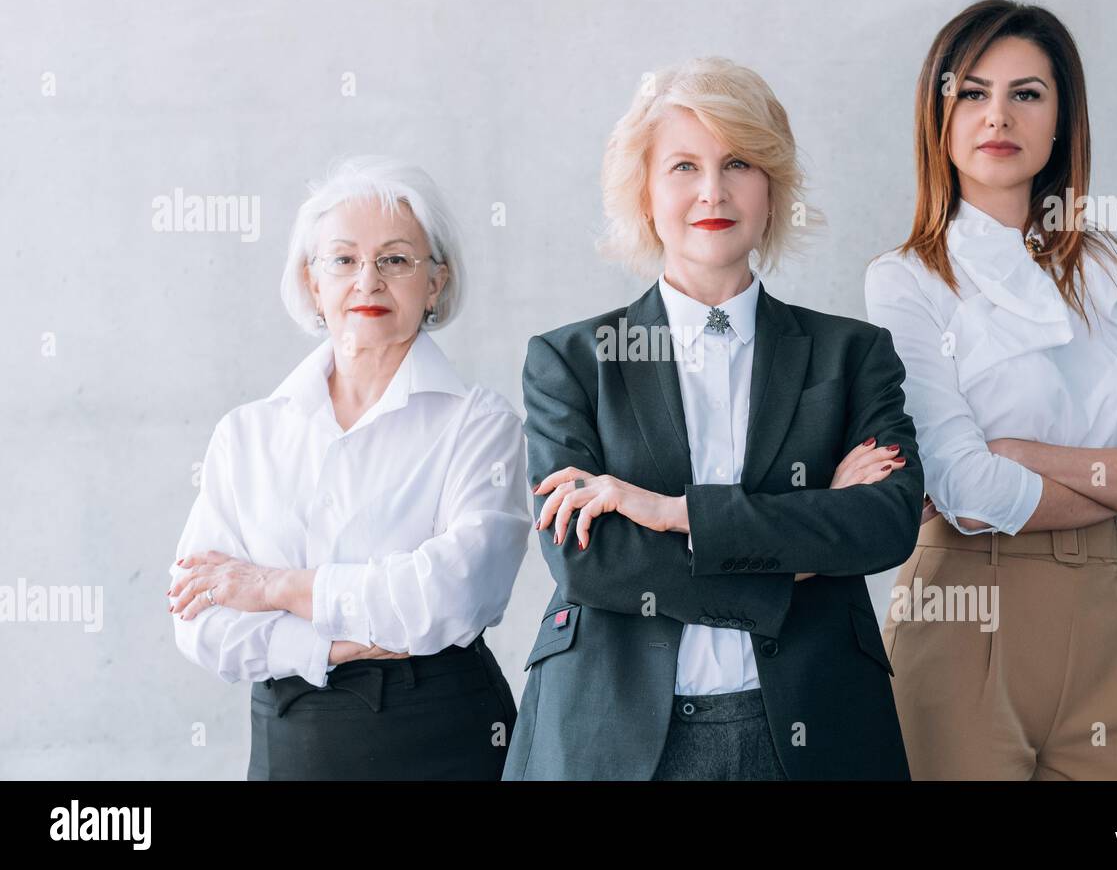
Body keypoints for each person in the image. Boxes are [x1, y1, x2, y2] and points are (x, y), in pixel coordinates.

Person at [504, 57, 923, 780]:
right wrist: (802, 539)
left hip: (811, 730)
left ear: (771, 189)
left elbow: (886, 522)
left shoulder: (850, 354)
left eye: (738, 162)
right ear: (644, 190)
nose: (712, 192)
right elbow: (588, 558)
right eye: (683, 166)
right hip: (616, 737)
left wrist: (673, 513)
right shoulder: (571, 360)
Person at [865, 0, 1117, 780]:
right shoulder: (906, 280)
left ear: (1061, 120)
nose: (999, 115)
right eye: (973, 92)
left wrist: (1022, 453)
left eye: (1027, 93)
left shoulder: (1110, 271)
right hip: (965, 611)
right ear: (940, 114)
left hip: (1104, 616)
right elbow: (966, 491)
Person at [167, 155, 531, 780]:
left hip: (444, 735)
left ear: (435, 282)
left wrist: (274, 587)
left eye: (395, 260)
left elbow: (454, 592)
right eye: (343, 260)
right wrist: (326, 646)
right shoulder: (247, 434)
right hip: (293, 741)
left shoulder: (480, 424)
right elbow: (198, 617)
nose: (368, 280)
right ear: (313, 282)